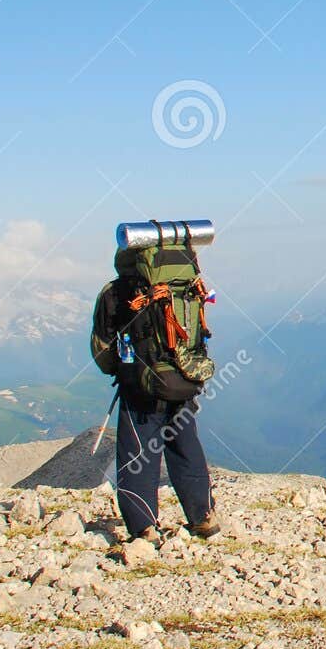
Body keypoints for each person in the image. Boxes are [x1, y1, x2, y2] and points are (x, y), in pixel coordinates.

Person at [90, 231, 221, 542]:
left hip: (142, 388)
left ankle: (144, 528)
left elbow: (102, 350)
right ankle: (203, 516)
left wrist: (123, 369)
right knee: (185, 445)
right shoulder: (185, 287)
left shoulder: (116, 292)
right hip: (185, 380)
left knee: (138, 454)